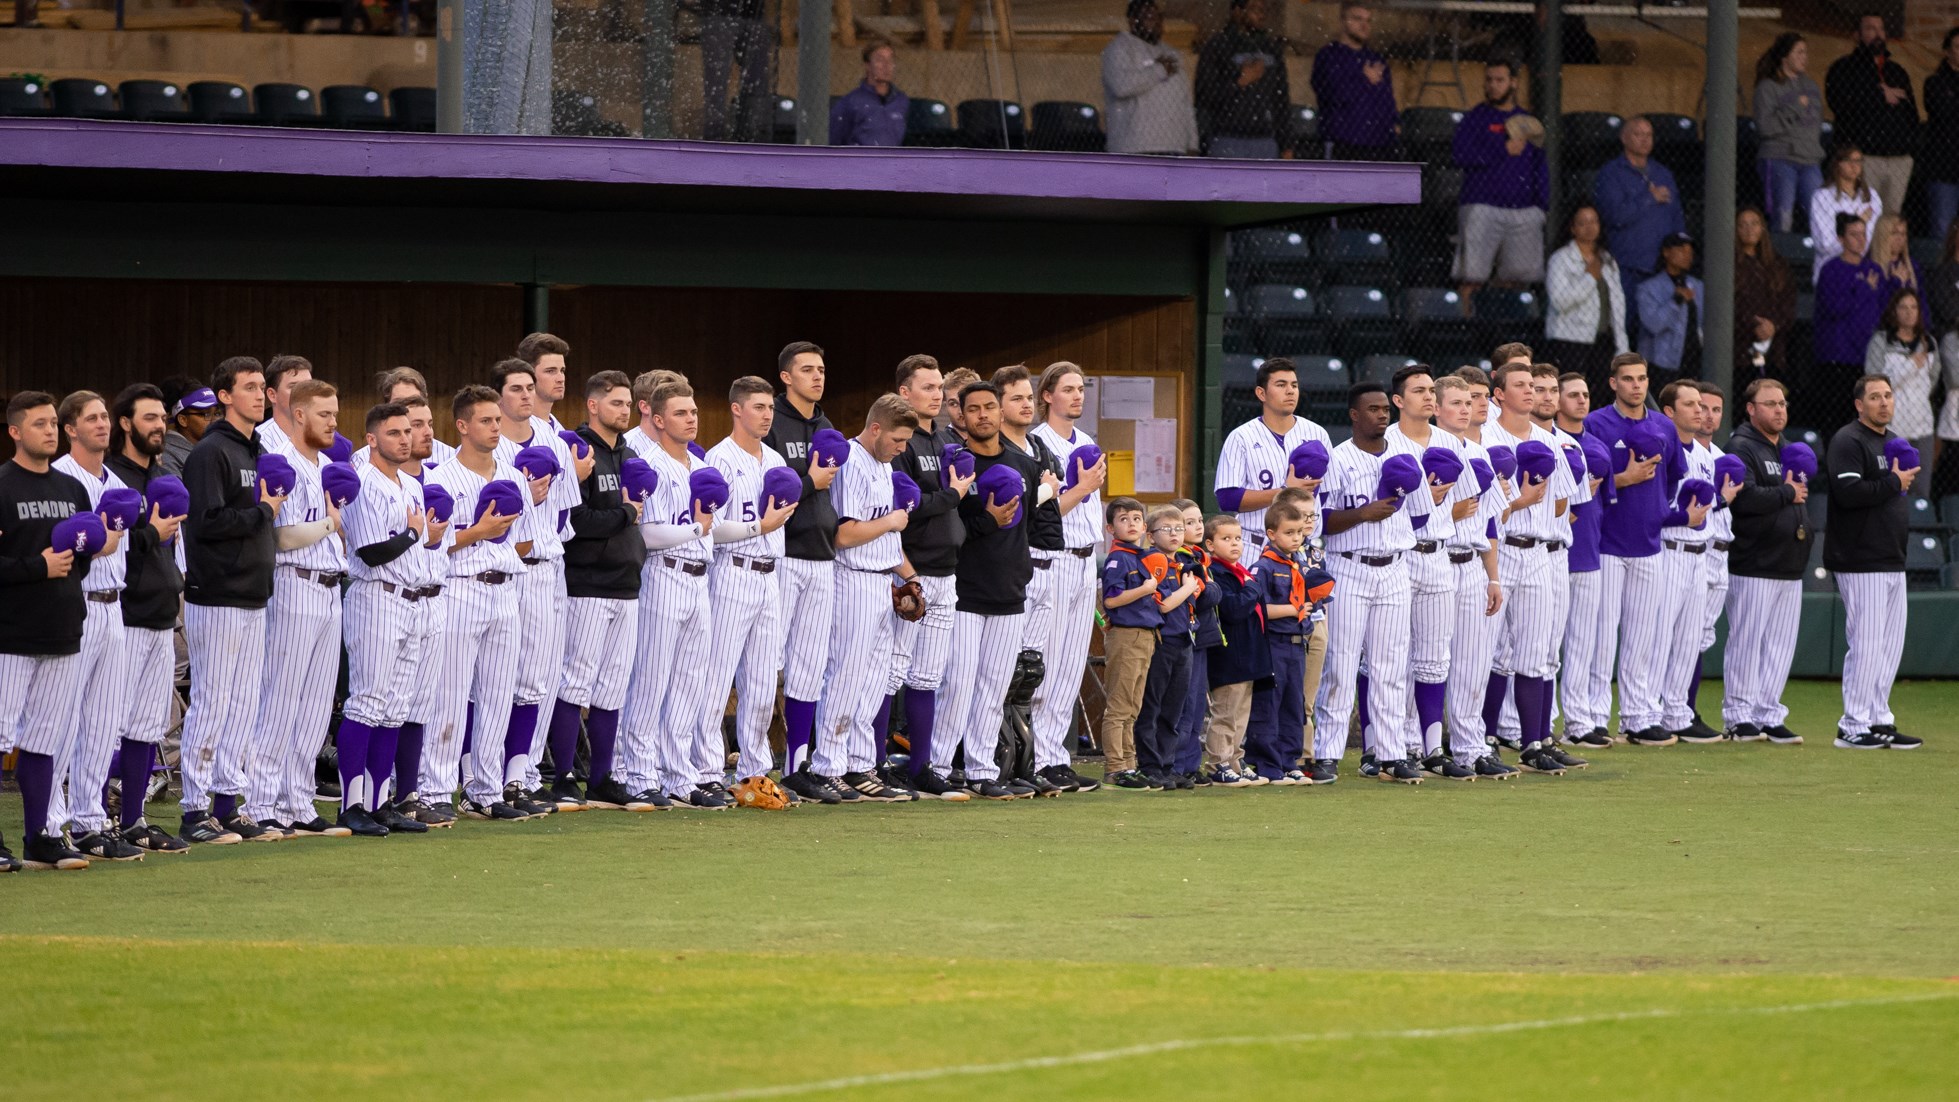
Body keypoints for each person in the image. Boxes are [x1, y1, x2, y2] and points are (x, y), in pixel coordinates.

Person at [178, 356, 284, 844]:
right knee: (212, 703)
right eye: (249, 387)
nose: (260, 395)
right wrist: (263, 510)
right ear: (224, 396)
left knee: (243, 704)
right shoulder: (211, 452)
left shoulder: (255, 448)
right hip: (216, 594)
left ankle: (228, 803)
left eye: (263, 386)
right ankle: (194, 810)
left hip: (252, 594)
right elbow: (205, 523)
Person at [245, 377, 356, 839]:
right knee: (281, 698)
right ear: (299, 414)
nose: (333, 422)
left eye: (335, 413)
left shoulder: (327, 465)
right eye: (324, 414)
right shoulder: (278, 462)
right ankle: (259, 802)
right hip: (293, 585)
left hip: (330, 587)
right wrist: (332, 522)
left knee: (314, 705)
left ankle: (298, 801)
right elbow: (281, 537)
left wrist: (336, 526)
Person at [0, 391, 101, 871]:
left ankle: (39, 836)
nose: (50, 431)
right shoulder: (1, 485)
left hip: (62, 628)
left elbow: (79, 557)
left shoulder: (71, 489)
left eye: (53, 424)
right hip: (10, 633)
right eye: (38, 424)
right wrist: (35, 567)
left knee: (44, 740)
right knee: (0, 738)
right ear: (15, 432)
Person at [336, 402, 447, 837]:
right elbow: (369, 551)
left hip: (412, 601)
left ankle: (381, 804)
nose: (404, 438)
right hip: (376, 597)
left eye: (408, 431)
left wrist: (420, 537)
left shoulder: (410, 485)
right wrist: (414, 533)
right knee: (367, 702)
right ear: (371, 439)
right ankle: (351, 806)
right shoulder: (365, 481)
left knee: (395, 708)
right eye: (395, 432)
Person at [620, 372, 727, 809]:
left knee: (689, 681)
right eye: (680, 413)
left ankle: (679, 775)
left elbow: (712, 530)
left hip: (700, 578)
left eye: (694, 412)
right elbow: (645, 534)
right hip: (662, 575)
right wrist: (695, 529)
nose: (691, 420)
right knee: (651, 678)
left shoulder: (702, 468)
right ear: (657, 419)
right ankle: (637, 774)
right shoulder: (649, 467)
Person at [426, 385, 533, 821]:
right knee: (449, 696)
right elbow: (429, 546)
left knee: (497, 695)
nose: (495, 427)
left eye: (497, 420)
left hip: (506, 589)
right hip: (461, 588)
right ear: (462, 425)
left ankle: (485, 791)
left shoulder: (513, 473)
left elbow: (525, 541)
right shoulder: (440, 477)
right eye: (485, 420)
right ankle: (435, 790)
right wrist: (476, 532)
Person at [46, 390, 143, 862]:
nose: (103, 424)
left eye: (105, 416)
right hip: (76, 603)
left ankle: (89, 820)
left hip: (114, 604)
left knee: (103, 723)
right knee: (63, 720)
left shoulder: (118, 480)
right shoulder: (59, 478)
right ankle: (49, 822)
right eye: (92, 418)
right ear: (70, 429)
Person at [1313, 381, 1427, 784]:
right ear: (1354, 415)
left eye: (1385, 409)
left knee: (1390, 666)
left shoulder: (1408, 455)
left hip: (1395, 566)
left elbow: (1422, 514)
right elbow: (1319, 521)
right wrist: (1362, 514)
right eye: (1374, 409)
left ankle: (1391, 753)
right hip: (1348, 566)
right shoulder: (1337, 459)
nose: (1382, 414)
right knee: (1341, 664)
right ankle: (1327, 752)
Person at [810, 394, 920, 803]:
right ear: (875, 428)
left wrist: (910, 576)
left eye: (906, 441)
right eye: (897, 438)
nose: (901, 447)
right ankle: (828, 766)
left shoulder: (886, 464)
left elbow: (886, 536)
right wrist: (891, 521)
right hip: (852, 578)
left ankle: (859, 764)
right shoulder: (852, 461)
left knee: (874, 681)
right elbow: (844, 534)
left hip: (881, 581)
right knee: (846, 675)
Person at [546, 371, 645, 812]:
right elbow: (576, 522)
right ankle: (564, 776)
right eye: (616, 403)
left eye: (627, 404)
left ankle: (602, 779)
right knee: (575, 683)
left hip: (626, 584)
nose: (624, 411)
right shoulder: (578, 450)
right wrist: (625, 513)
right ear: (592, 405)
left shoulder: (630, 452)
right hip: (586, 583)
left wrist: (627, 518)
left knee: (611, 689)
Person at [928, 383, 1032, 801]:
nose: (984, 415)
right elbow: (954, 531)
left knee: (993, 686)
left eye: (990, 407)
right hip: (966, 588)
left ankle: (981, 769)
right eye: (974, 409)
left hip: (1010, 588)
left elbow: (1034, 527)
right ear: (962, 417)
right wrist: (986, 519)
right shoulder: (956, 464)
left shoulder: (1023, 464)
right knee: (956, 683)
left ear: (1000, 413)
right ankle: (939, 767)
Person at [699, 376, 799, 793]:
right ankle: (704, 770)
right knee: (716, 678)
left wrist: (768, 530)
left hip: (769, 576)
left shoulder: (776, 460)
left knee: (762, 683)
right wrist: (760, 525)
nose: (766, 414)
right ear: (736, 409)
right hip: (731, 571)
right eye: (758, 407)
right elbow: (708, 530)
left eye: (770, 408)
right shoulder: (716, 460)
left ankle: (755, 772)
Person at [487, 359, 579, 810]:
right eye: (516, 388)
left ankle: (519, 776)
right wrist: (526, 498)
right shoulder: (490, 448)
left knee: (536, 681)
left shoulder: (556, 445)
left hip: (547, 568)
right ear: (498, 396)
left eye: (529, 387)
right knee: (491, 679)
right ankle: (479, 774)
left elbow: (563, 517)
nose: (526, 395)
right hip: (506, 569)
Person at [884, 356, 977, 800]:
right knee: (891, 673)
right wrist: (951, 495)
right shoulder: (898, 444)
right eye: (927, 386)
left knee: (927, 677)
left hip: (947, 570)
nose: (937, 394)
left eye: (940, 386)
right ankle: (876, 765)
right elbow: (907, 508)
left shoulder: (945, 440)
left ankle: (921, 768)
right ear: (905, 392)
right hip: (911, 569)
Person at [103, 383, 191, 853]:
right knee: (105, 723)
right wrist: (148, 534)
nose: (159, 426)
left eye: (162, 418)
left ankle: (134, 819)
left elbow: (172, 546)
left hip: (160, 613)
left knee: (146, 726)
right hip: (123, 614)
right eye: (149, 418)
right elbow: (103, 553)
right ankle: (94, 816)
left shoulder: (161, 475)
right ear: (125, 423)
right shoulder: (110, 477)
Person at [1585, 352, 1687, 747]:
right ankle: (1594, 715)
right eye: (1627, 379)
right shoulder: (1596, 422)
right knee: (1603, 634)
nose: (1636, 385)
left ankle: (1638, 715)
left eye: (1642, 378)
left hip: (1649, 543)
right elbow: (1591, 480)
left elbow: (1674, 477)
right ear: (1613, 383)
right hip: (1608, 542)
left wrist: (1659, 511)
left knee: (1642, 636)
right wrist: (1623, 480)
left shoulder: (1664, 425)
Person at [1381, 365, 1476, 778]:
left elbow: (1472, 503)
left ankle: (1433, 748)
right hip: (1400, 556)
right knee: (1393, 658)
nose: (1428, 397)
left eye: (1429, 391)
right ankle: (1394, 746)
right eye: (1418, 391)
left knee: (1435, 658)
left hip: (1440, 554)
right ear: (1399, 401)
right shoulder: (1385, 443)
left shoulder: (1451, 441)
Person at [1826, 375, 1923, 750]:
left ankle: (1880, 718)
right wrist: (1893, 483)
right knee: (1866, 643)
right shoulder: (1848, 440)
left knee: (1888, 645)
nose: (1884, 403)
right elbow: (1848, 492)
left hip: (1891, 556)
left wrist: (1893, 483)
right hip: (1859, 557)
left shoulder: (1892, 441)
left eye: (1888, 396)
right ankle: (1853, 725)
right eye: (1875, 397)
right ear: (1859, 404)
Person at [764, 342, 840, 798]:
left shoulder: (826, 424)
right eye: (807, 370)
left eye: (821, 368)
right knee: (767, 665)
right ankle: (754, 761)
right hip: (784, 555)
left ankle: (798, 764)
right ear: (786, 377)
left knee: (810, 667)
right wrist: (808, 480)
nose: (817, 376)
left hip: (822, 555)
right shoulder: (774, 421)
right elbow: (770, 488)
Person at [1028, 362, 1106, 790]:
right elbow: (1042, 514)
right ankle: (1037, 758)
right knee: (1049, 661)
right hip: (1052, 559)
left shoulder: (1088, 441)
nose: (1077, 396)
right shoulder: (1037, 445)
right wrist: (1080, 488)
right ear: (1047, 396)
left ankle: (1055, 755)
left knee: (1072, 665)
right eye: (1068, 389)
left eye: (1081, 388)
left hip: (1084, 561)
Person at [1722, 378, 1811, 744]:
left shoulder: (1788, 449)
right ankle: (1739, 715)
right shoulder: (1742, 447)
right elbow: (1744, 499)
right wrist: (1787, 492)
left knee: (1779, 643)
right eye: (1770, 403)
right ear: (1751, 408)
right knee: (1747, 640)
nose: (1779, 410)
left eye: (1782, 404)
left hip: (1789, 563)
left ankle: (1768, 712)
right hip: (1755, 561)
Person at [1649, 381, 1724, 743]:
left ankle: (1678, 713)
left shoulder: (1707, 454)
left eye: (1701, 404)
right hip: (1671, 549)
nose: (1699, 410)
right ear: (1669, 411)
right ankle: (1647, 713)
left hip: (1699, 553)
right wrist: (1682, 519)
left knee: (1689, 639)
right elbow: (1654, 509)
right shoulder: (1665, 448)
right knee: (1660, 636)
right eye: (1690, 404)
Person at [1213, 357, 1332, 564]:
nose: (1290, 391)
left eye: (1294, 385)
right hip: (1255, 546)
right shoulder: (1242, 437)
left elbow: (1328, 492)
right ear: (1261, 393)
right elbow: (1227, 498)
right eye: (1281, 384)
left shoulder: (1317, 433)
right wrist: (1285, 490)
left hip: (1303, 549)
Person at [1451, 59, 1549, 302]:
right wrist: (1501, 149)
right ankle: (1466, 327)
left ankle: (1506, 328)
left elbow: (1540, 166)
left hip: (1523, 210)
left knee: (1517, 280)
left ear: (1513, 83)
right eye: (1489, 80)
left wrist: (1541, 206)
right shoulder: (1475, 118)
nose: (1493, 85)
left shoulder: (1528, 122)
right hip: (1481, 205)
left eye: (1499, 80)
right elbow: (1460, 156)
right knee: (1471, 278)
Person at [1554, 373, 1612, 751]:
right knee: (1541, 646)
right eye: (1572, 395)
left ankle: (1578, 720)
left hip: (1589, 552)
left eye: (1585, 395)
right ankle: (1529, 724)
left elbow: (1602, 503)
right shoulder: (1551, 443)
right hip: (1554, 554)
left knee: (1581, 643)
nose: (1581, 400)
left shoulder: (1597, 445)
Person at [1132, 504, 1204, 789]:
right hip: (1162, 641)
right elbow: (1163, 605)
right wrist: (1188, 589)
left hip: (1184, 639)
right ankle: (1149, 765)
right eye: (1166, 530)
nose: (1175, 534)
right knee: (1153, 705)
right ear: (1151, 536)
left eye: (1178, 529)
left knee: (1174, 708)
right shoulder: (1154, 562)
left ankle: (1167, 763)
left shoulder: (1183, 563)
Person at [1244, 500, 1316, 784]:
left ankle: (1289, 761)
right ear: (1272, 534)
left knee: (1293, 704)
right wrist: (1292, 610)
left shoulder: (1298, 563)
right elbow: (1258, 608)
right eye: (1289, 532)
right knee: (1269, 704)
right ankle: (1267, 764)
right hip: (1274, 643)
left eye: (1299, 532)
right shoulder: (1264, 566)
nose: (1297, 538)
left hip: (1297, 644)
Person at [1596, 115, 1688, 334]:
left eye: (1649, 135)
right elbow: (1614, 216)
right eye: (1638, 134)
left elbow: (1677, 218)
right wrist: (1648, 199)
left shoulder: (1663, 174)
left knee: (1659, 332)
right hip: (1628, 268)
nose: (1645, 140)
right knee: (1624, 330)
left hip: (1661, 269)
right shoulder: (1611, 173)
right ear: (1624, 138)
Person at [1824, 13, 1918, 222]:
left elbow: (1911, 114)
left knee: (1890, 222)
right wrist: (1879, 94)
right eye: (1870, 28)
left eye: (1881, 28)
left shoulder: (1897, 71)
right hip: (1865, 158)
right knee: (1863, 218)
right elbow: (1839, 102)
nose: (1877, 33)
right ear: (1856, 35)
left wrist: (1909, 148)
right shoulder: (1843, 68)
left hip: (1899, 160)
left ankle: (1884, 256)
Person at [1200, 514, 1267, 786]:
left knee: (1241, 714)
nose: (1235, 544)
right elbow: (1233, 608)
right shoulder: (1217, 572)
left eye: (1238, 538)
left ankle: (1235, 760)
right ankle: (1217, 762)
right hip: (1229, 653)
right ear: (1210, 544)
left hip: (1248, 653)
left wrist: (1250, 585)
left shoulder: (1241, 571)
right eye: (1226, 539)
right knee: (1225, 712)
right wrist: (1253, 589)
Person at [1098, 496, 1158, 789]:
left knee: (1133, 706)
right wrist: (1145, 589)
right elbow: (1111, 599)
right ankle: (1115, 766)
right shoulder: (1118, 558)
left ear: (1145, 526)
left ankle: (1130, 763)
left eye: (1136, 519)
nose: (1131, 524)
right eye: (1123, 519)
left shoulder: (1141, 556)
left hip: (1146, 635)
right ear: (1111, 528)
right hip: (1127, 634)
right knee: (1119, 706)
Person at [1544, 202, 1629, 391]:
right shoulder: (1561, 259)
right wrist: (1589, 277)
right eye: (1583, 223)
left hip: (1604, 339)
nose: (1590, 227)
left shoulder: (1607, 260)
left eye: (1594, 221)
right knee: (1572, 393)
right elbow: (1559, 301)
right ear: (1573, 228)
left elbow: (1617, 304)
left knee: (1601, 393)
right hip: (1570, 340)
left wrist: (1622, 344)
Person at [1814, 214, 1889, 427]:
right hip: (1837, 358)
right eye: (1854, 235)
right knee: (1835, 420)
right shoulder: (1831, 270)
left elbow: (1883, 311)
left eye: (1863, 234)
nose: (1860, 240)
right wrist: (1863, 289)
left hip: (1867, 358)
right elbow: (1834, 307)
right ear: (1841, 238)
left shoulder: (1873, 270)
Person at [1194, 0, 1293, 159]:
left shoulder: (1271, 47)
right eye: (1254, 9)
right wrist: (1241, 81)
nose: (1261, 15)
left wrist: (1286, 144)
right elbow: (1205, 96)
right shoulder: (1217, 46)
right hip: (1227, 139)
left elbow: (1281, 99)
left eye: (1263, 10)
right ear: (1237, 12)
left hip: (1266, 140)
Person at [1101, 0, 1199, 156]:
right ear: (1133, 21)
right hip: (1137, 148)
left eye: (1159, 17)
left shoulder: (1172, 53)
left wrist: (1192, 143)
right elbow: (1121, 86)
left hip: (1174, 147)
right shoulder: (1119, 48)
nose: (1157, 22)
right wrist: (1159, 70)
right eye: (1149, 16)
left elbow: (1185, 101)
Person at [1753, 32, 1826, 234]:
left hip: (1810, 160)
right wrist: (1794, 110)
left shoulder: (1811, 86)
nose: (1805, 57)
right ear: (1785, 57)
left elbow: (1815, 121)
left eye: (1806, 52)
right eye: (1799, 52)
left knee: (1819, 216)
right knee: (1783, 216)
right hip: (1780, 159)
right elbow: (1765, 127)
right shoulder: (1768, 87)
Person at [1310, 1, 1398, 160]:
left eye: (1368, 20)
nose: (1365, 25)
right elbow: (1333, 94)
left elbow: (1387, 101)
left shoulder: (1375, 59)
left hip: (1379, 147)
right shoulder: (1329, 56)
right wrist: (1364, 79)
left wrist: (1393, 126)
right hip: (1343, 144)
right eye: (1358, 19)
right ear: (1343, 21)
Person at [1865, 289, 1938, 464]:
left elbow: (1933, 380)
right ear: (1894, 311)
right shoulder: (1880, 340)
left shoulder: (1929, 342)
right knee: (1893, 484)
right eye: (1903, 307)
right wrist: (1910, 365)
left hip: (1923, 425)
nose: (1909, 312)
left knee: (1921, 487)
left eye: (1914, 307)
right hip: (1891, 426)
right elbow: (1873, 383)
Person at [1735, 208, 1796, 382]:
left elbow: (1788, 303)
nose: (1749, 229)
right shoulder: (1729, 264)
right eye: (1743, 225)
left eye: (1754, 223)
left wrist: (1773, 326)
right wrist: (1754, 325)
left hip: (1774, 349)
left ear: (1762, 228)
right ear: (1736, 230)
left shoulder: (1778, 265)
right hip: (1739, 349)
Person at [1636, 231, 1705, 382]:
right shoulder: (1648, 288)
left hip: (1693, 361)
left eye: (1690, 251)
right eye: (1681, 250)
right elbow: (1653, 324)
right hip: (1662, 363)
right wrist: (1675, 301)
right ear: (1666, 252)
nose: (1687, 255)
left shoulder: (1698, 286)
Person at [699, 0, 771, 142]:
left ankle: (753, 135)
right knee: (716, 86)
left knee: (755, 86)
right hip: (719, 14)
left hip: (751, 15)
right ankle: (714, 139)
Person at [1809, 144, 1882, 282]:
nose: (1854, 166)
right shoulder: (1822, 196)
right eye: (1848, 161)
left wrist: (1848, 236)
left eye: (1858, 161)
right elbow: (1825, 244)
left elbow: (1867, 245)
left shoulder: (1871, 197)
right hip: (1830, 272)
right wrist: (1860, 221)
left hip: (1863, 273)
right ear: (1838, 164)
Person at [830, 41, 909, 147]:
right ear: (867, 65)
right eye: (880, 60)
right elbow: (835, 141)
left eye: (890, 60)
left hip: (891, 162)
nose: (886, 65)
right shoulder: (850, 102)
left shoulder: (901, 101)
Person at [1924, 28, 1959, 243]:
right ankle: (1942, 276)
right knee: (1942, 231)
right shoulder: (1935, 82)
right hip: (1944, 170)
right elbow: (1944, 112)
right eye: (1958, 46)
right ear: (1947, 51)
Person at [160, 380, 215, 479]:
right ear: (183, 420)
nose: (213, 420)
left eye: (216, 414)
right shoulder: (166, 456)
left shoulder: (216, 449)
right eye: (205, 414)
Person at [1870, 213, 1922, 303]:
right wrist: (1895, 282)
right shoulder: (1871, 268)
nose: (1900, 238)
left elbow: (1922, 303)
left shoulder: (1912, 266)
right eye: (1894, 233)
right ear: (1882, 235)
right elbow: (1878, 304)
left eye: (1903, 234)